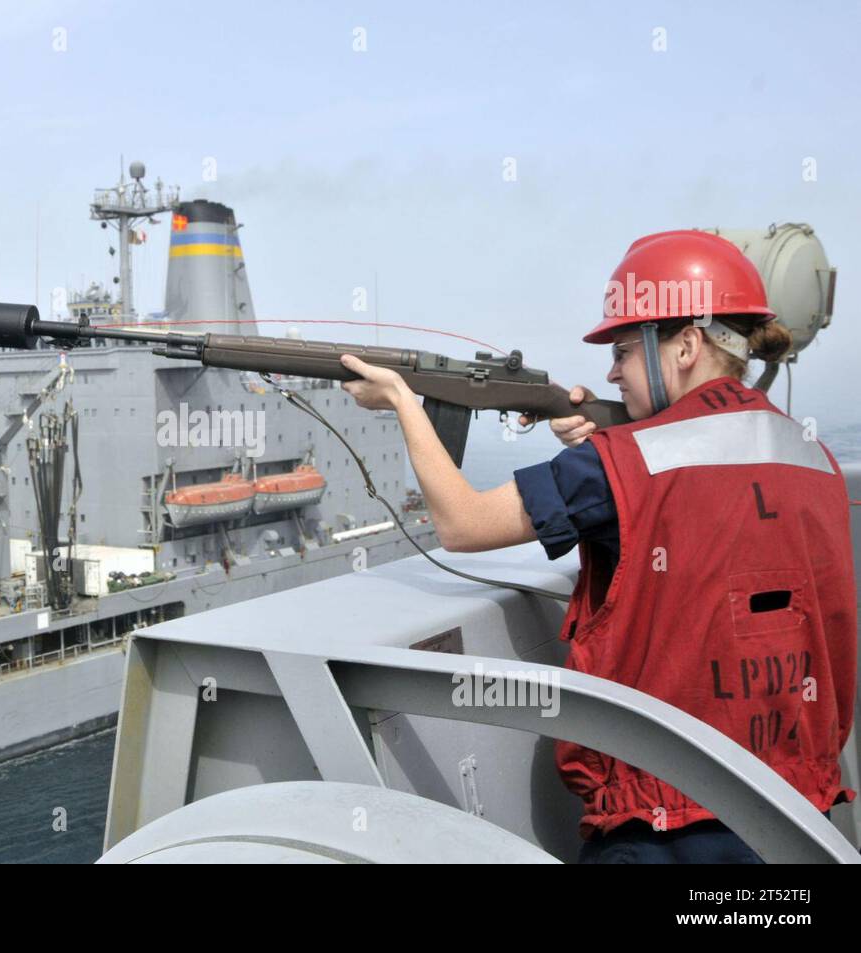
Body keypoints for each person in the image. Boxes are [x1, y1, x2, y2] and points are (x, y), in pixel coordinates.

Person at [339, 229, 856, 863]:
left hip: (661, 831)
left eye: (623, 350)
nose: (611, 371)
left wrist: (402, 400)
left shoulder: (618, 464)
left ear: (688, 344)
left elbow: (463, 524)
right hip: (800, 819)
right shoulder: (814, 456)